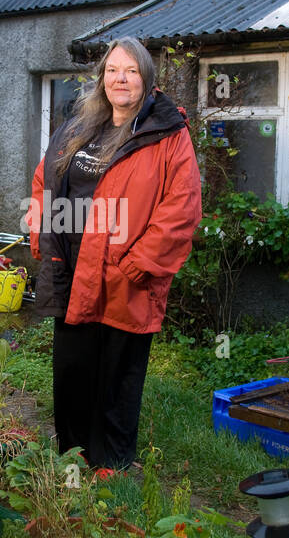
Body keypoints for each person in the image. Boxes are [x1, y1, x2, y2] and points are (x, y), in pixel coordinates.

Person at [27, 36, 202, 471]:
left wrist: (138, 265)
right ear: (101, 77)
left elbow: (181, 208)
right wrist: (42, 239)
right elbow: (42, 180)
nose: (119, 79)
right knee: (72, 372)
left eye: (130, 71)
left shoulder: (166, 134)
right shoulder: (76, 126)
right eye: (112, 70)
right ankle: (72, 457)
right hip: (70, 271)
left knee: (117, 375)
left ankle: (112, 466)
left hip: (124, 277)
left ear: (146, 79)